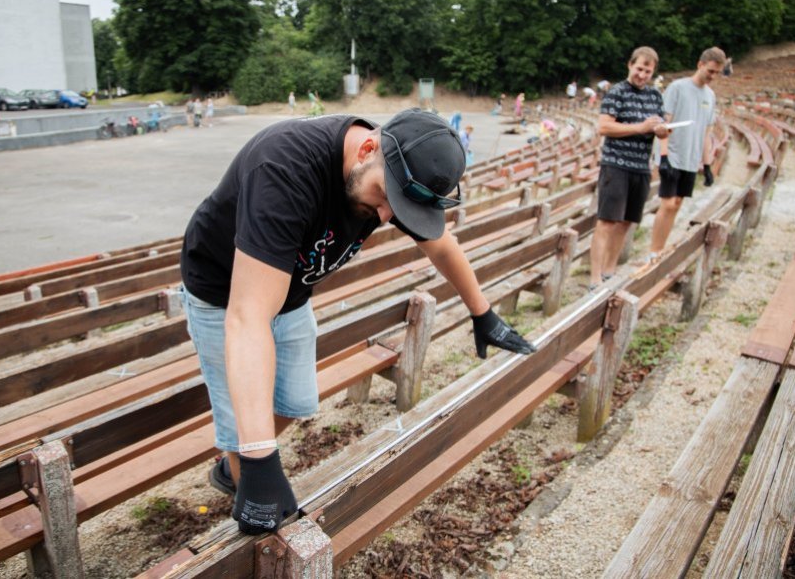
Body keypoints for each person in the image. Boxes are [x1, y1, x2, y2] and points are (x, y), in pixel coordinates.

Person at [179, 109, 535, 535]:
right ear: (367, 147)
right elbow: (247, 316)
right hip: (223, 294)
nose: (386, 217)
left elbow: (440, 246)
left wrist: (484, 314)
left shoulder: (394, 172)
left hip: (290, 293)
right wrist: (258, 457)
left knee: (295, 403)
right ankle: (249, 494)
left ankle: (232, 465)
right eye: (384, 199)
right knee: (248, 438)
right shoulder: (285, 169)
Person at [590, 47, 669, 289]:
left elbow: (658, 128)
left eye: (648, 71)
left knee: (626, 222)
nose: (643, 75)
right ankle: (594, 278)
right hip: (616, 165)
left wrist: (663, 131)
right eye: (639, 69)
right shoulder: (616, 92)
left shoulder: (656, 96)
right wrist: (640, 127)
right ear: (630, 66)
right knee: (607, 221)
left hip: (640, 167)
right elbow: (604, 127)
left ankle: (609, 271)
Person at [648, 47, 726, 259]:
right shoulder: (678, 88)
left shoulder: (710, 96)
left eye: (717, 73)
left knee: (677, 204)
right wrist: (663, 157)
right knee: (667, 203)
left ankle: (660, 249)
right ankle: (653, 252)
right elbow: (665, 123)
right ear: (700, 64)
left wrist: (707, 165)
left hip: (691, 159)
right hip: (672, 154)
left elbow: (707, 134)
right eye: (710, 71)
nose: (712, 76)